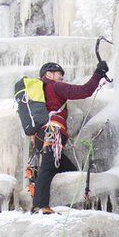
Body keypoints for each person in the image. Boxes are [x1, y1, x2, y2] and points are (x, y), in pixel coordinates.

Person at [32, 58, 108, 214]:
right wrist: (98, 74)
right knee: (47, 168)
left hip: (41, 136)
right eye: (59, 74)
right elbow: (83, 91)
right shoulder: (54, 86)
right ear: (49, 74)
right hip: (53, 133)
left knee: (68, 170)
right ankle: (40, 206)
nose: (62, 78)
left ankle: (69, 206)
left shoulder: (40, 92)